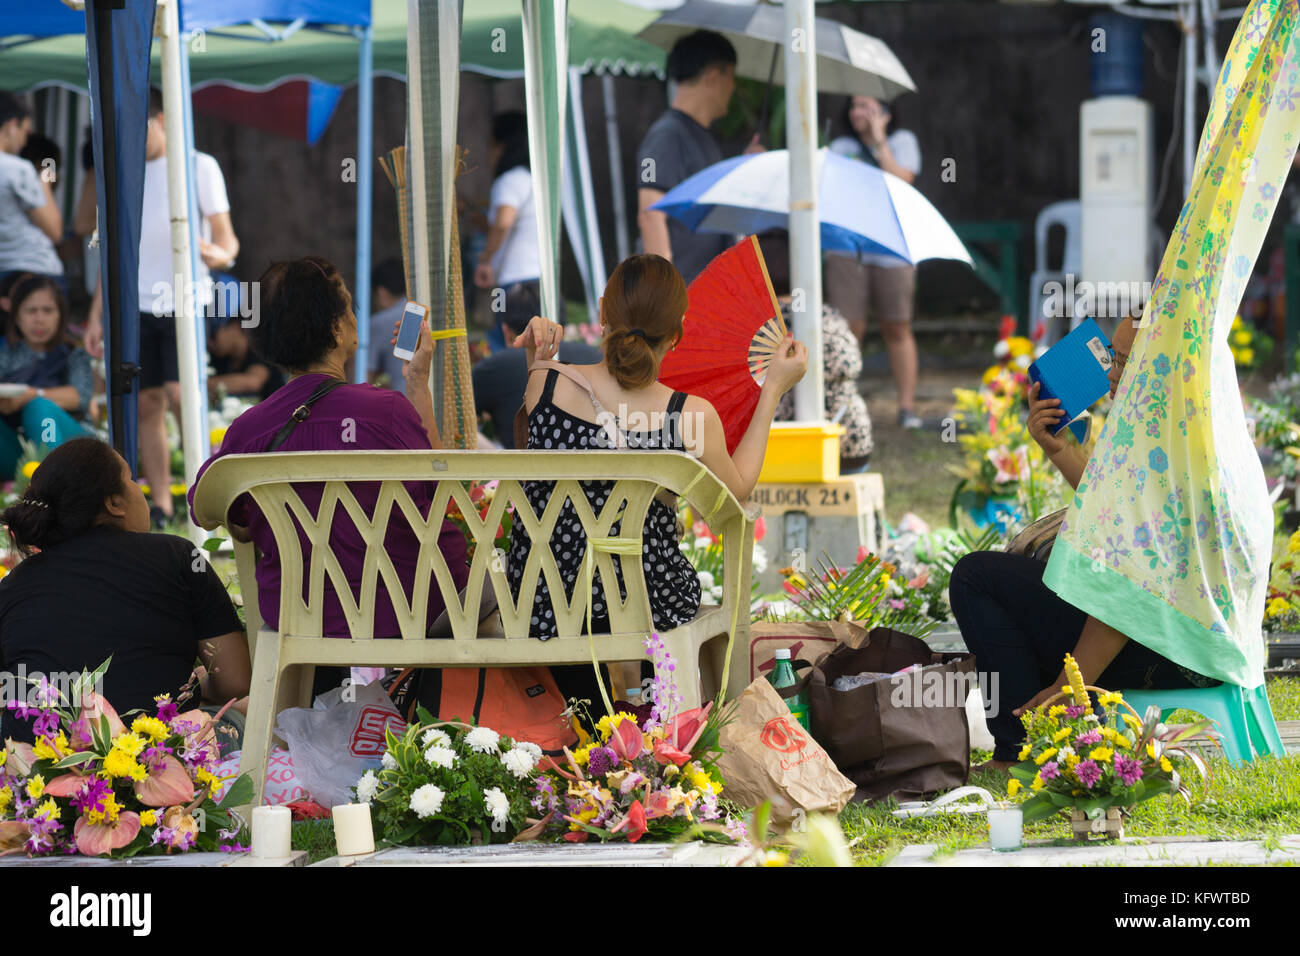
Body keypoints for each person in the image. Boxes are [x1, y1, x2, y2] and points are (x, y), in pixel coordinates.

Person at [506, 254, 807, 701]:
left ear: (603, 312)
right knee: (661, 582)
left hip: (545, 599)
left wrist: (538, 359)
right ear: (678, 333)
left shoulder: (545, 383)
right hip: (651, 600)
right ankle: (672, 727)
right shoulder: (689, 415)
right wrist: (773, 390)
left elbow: (536, 466)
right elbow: (737, 489)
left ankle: (590, 725)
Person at [189, 256, 470, 693]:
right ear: (338, 330)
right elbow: (442, 492)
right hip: (407, 609)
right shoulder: (388, 412)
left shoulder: (249, 431)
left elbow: (207, 507)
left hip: (299, 613)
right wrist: (417, 383)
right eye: (350, 310)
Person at [947, 315, 1215, 771]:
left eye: (1126, 362)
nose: (1110, 373)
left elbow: (1127, 586)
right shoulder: (1186, 424)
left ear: (1161, 368)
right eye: (1112, 356)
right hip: (1194, 641)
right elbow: (1109, 513)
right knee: (1018, 582)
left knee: (977, 579)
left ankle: (1023, 746)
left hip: (1172, 648)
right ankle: (1032, 738)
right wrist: (1057, 449)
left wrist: (1069, 688)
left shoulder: (1164, 450)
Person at [0, 437, 250, 743]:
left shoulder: (11, 586)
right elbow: (236, 683)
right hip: (162, 761)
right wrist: (199, 684)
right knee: (244, 715)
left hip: (34, 772)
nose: (138, 490)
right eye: (131, 479)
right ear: (114, 503)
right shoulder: (181, 556)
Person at [85, 88, 240, 528]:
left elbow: (229, 240)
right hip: (135, 301)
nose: (136, 137)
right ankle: (163, 505)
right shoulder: (120, 170)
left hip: (185, 300)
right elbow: (109, 251)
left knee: (180, 395)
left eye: (143, 127)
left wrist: (220, 256)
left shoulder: (198, 165)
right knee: (147, 403)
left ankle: (206, 497)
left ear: (162, 120)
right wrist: (98, 313)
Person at [826, 95, 924, 429]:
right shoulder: (839, 147)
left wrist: (879, 141)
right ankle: (844, 406)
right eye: (853, 106)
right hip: (846, 247)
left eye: (867, 106)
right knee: (848, 328)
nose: (858, 113)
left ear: (885, 111)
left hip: (893, 247)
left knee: (897, 326)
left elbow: (902, 181)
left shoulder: (903, 141)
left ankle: (907, 407)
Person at [637, 31, 760, 285]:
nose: (733, 87)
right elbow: (649, 213)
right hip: (679, 300)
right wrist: (666, 297)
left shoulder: (701, 137)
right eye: (731, 76)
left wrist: (746, 167)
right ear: (714, 76)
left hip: (703, 297)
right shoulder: (666, 136)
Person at [472, 283, 601, 448]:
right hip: (595, 464)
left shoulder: (493, 368)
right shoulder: (597, 356)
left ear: (506, 331)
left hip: (522, 468)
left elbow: (462, 418)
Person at [0, 275, 93, 478]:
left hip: (71, 446)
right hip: (18, 448)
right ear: (16, 316)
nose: (39, 319)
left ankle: (53, 491)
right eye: (31, 311)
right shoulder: (5, 353)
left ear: (60, 314)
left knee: (39, 406)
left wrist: (32, 395)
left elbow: (80, 396)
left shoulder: (73, 352)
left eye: (48, 310)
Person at [473, 111, 547, 353]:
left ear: (502, 145)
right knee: (537, 351)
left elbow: (503, 224)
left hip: (514, 284)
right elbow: (501, 227)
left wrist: (485, 261)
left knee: (506, 348)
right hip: (537, 279)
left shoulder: (510, 179)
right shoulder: (534, 179)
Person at [0, 93, 64, 290]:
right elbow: (54, 232)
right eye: (25, 131)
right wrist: (43, 182)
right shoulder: (17, 169)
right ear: (12, 125)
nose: (25, 141)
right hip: (35, 268)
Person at [206, 315, 284, 402]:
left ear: (234, 327)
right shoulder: (220, 359)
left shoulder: (261, 352)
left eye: (213, 336)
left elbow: (253, 382)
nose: (209, 344)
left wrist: (203, 383)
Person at [368, 257, 408, 389]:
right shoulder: (421, 309)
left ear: (381, 292)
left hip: (403, 400)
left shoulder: (379, 322)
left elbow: (364, 376)